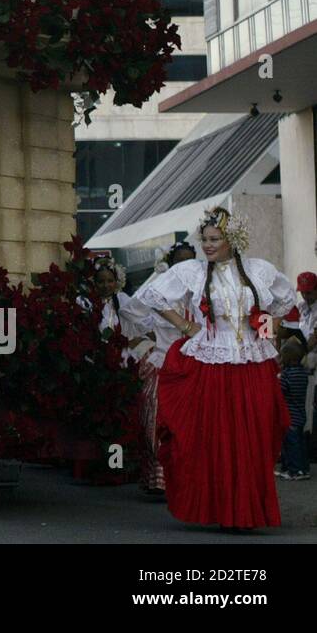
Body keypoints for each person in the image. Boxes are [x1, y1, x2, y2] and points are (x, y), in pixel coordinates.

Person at [128, 207, 296, 530]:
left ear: (231, 239)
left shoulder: (258, 270)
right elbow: (153, 295)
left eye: (214, 239)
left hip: (253, 362)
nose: (207, 245)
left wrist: (264, 325)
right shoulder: (192, 271)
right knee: (217, 438)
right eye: (204, 239)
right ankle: (224, 511)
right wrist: (188, 328)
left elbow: (285, 301)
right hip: (212, 362)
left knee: (255, 436)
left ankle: (247, 511)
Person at [135, 241, 198, 495]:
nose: (186, 265)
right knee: (158, 422)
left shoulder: (198, 291)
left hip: (193, 365)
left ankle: (186, 479)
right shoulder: (158, 291)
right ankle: (160, 479)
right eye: (180, 261)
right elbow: (133, 311)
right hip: (164, 363)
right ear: (170, 265)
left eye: (190, 260)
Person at [277, 338, 311, 481]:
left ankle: (294, 470)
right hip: (300, 414)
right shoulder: (303, 374)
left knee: (291, 445)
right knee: (300, 444)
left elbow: (281, 391)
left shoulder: (286, 375)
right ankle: (303, 468)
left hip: (290, 415)